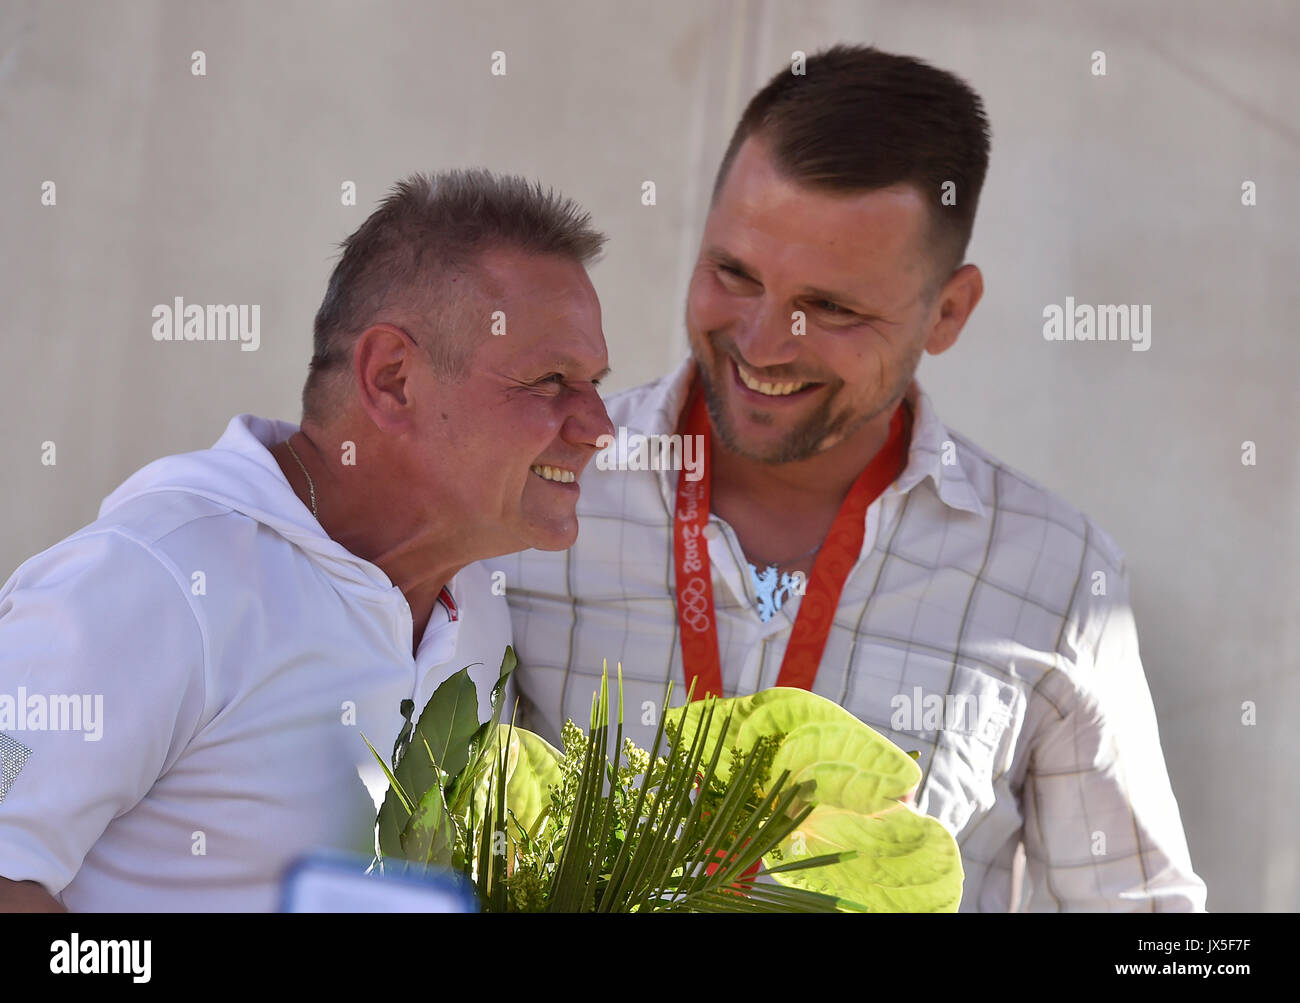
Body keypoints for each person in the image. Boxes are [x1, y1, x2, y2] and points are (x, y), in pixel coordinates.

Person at [490, 46, 1208, 912]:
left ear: (948, 312)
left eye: (831, 308)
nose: (762, 341)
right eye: (734, 274)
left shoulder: (1057, 574)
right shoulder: (529, 491)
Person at [0, 170, 614, 911]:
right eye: (550, 380)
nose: (598, 426)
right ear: (392, 378)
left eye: (594, 383)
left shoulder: (478, 605)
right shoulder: (152, 579)